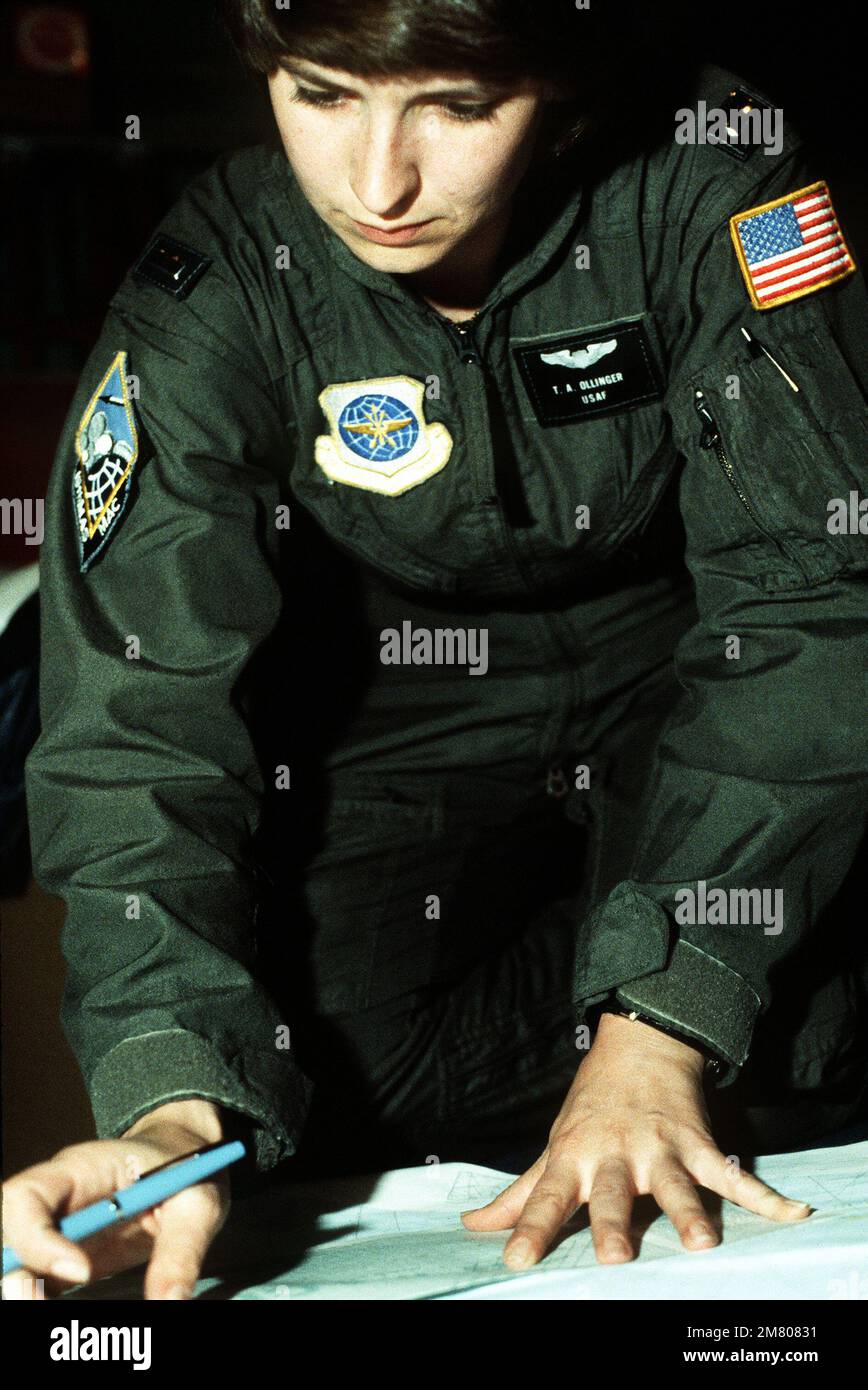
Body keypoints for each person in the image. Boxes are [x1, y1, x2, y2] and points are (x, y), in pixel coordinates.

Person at [4, 0, 867, 1301]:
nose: (378, 182)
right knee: (330, 1066)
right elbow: (131, 719)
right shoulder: (221, 277)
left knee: (798, 1021)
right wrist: (171, 1107)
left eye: (458, 106)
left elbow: (816, 596)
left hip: (697, 650)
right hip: (410, 688)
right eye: (324, 95)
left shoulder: (720, 175)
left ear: (562, 86)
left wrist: (666, 1015)